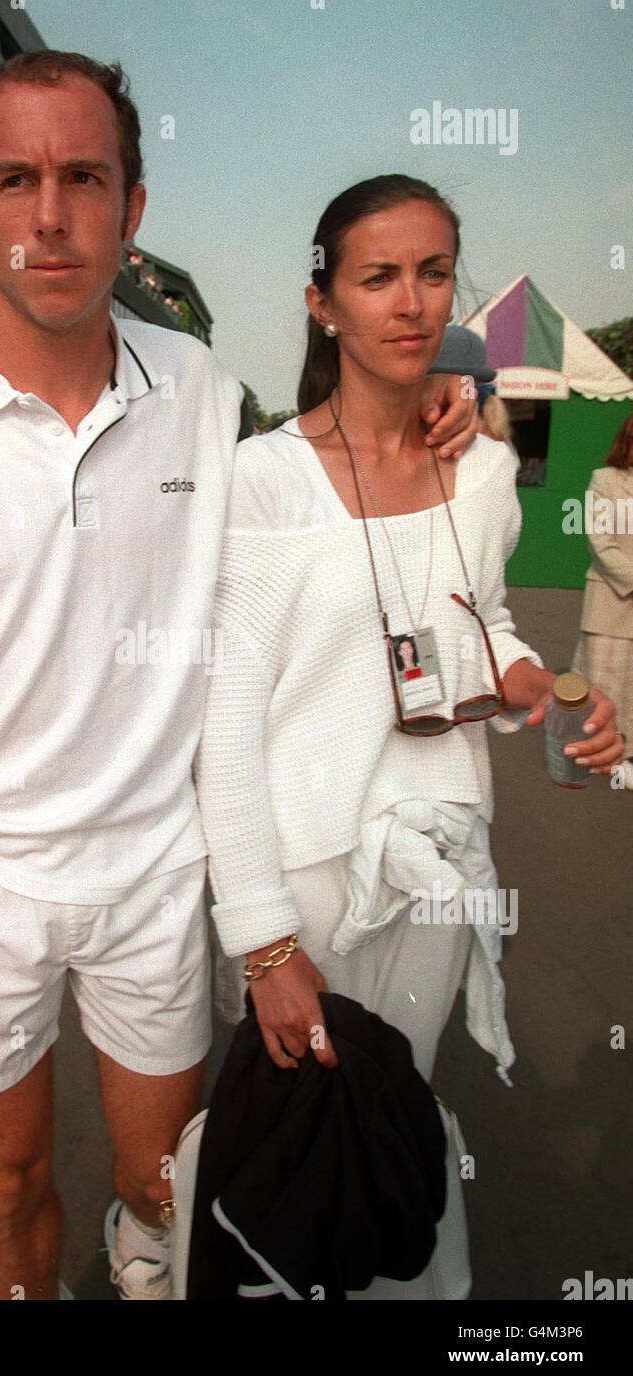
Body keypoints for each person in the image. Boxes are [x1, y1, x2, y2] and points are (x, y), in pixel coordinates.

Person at [0, 58, 478, 1302]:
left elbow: (322, 474)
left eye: (83, 179)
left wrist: (428, 397)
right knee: (5, 1179)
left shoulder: (199, 392)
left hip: (152, 871)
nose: (49, 217)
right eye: (15, 181)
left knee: (164, 1182)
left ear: (131, 208)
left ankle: (144, 1272)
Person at [194, 174, 623, 1299]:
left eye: (434, 272)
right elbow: (226, 725)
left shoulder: (482, 469)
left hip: (438, 857)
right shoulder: (262, 481)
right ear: (320, 301)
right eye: (377, 275)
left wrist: (551, 686)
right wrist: (266, 942)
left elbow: (478, 623)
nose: (411, 301)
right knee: (297, 1135)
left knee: (397, 1114)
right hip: (306, 873)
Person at [572, 413, 633, 791]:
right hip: (613, 601)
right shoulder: (605, 480)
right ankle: (607, 757)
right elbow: (601, 543)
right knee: (608, 686)